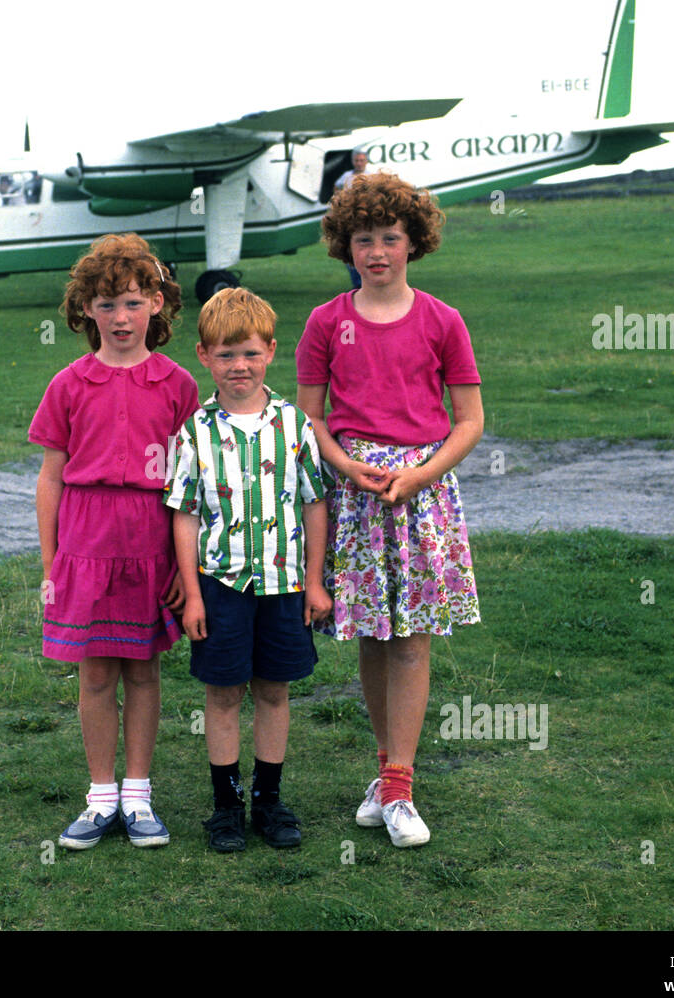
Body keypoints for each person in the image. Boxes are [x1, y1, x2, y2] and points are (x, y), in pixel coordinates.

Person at [295, 172, 484, 849]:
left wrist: (422, 474)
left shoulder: (442, 320)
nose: (376, 252)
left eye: (390, 239)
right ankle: (386, 774)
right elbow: (308, 417)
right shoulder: (326, 322)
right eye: (363, 239)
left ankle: (401, 789)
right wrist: (345, 465)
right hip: (354, 493)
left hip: (421, 492)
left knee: (412, 639)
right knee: (374, 637)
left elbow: (469, 420)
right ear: (346, 245)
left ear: (414, 243)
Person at [29, 233, 199, 850]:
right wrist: (53, 563)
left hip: (152, 543)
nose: (120, 318)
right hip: (85, 544)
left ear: (156, 303)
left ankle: (138, 794)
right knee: (96, 674)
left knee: (144, 670)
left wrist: (188, 564)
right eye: (105, 306)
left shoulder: (179, 385)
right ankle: (100, 797)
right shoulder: (68, 384)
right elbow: (50, 478)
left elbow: (191, 480)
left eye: (131, 303)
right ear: (85, 312)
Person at [165, 288, 331, 852]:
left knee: (274, 691)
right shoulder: (195, 432)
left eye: (251, 354)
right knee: (223, 694)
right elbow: (185, 516)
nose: (240, 366)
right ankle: (225, 805)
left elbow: (313, 502)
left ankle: (269, 800)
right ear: (204, 355)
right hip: (221, 587)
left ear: (271, 353)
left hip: (284, 586)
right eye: (227, 354)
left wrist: (313, 581)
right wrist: (192, 595)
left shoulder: (294, 425)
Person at [334, 148, 371, 290]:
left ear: (366, 161)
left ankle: (366, 282)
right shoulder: (346, 177)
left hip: (366, 220)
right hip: (350, 219)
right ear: (353, 161)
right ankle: (357, 283)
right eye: (357, 160)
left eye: (362, 160)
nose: (359, 163)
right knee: (350, 252)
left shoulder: (371, 177)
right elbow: (336, 189)